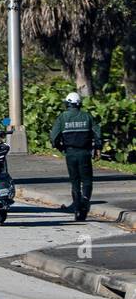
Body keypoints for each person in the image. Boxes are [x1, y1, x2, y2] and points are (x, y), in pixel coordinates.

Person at [49, 92, 102, 221]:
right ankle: (85, 200)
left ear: (68, 103)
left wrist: (60, 147)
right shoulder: (87, 116)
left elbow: (54, 137)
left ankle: (77, 206)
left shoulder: (62, 117)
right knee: (87, 180)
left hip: (70, 153)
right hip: (85, 153)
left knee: (75, 181)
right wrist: (98, 148)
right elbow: (97, 133)